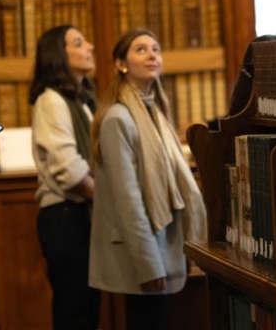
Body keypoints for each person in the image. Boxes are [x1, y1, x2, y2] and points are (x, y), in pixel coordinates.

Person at [89, 29, 207, 330]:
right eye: (141, 49)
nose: (152, 54)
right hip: (143, 251)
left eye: (156, 49)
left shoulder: (155, 111)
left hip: (163, 243)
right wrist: (149, 264)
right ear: (121, 64)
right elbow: (127, 200)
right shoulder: (118, 117)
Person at [29, 25, 100, 330]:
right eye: (79, 43)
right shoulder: (51, 100)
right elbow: (69, 169)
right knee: (74, 313)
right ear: (58, 55)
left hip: (82, 214)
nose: (91, 46)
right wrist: (109, 201)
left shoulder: (84, 100)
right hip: (66, 216)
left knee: (88, 309)